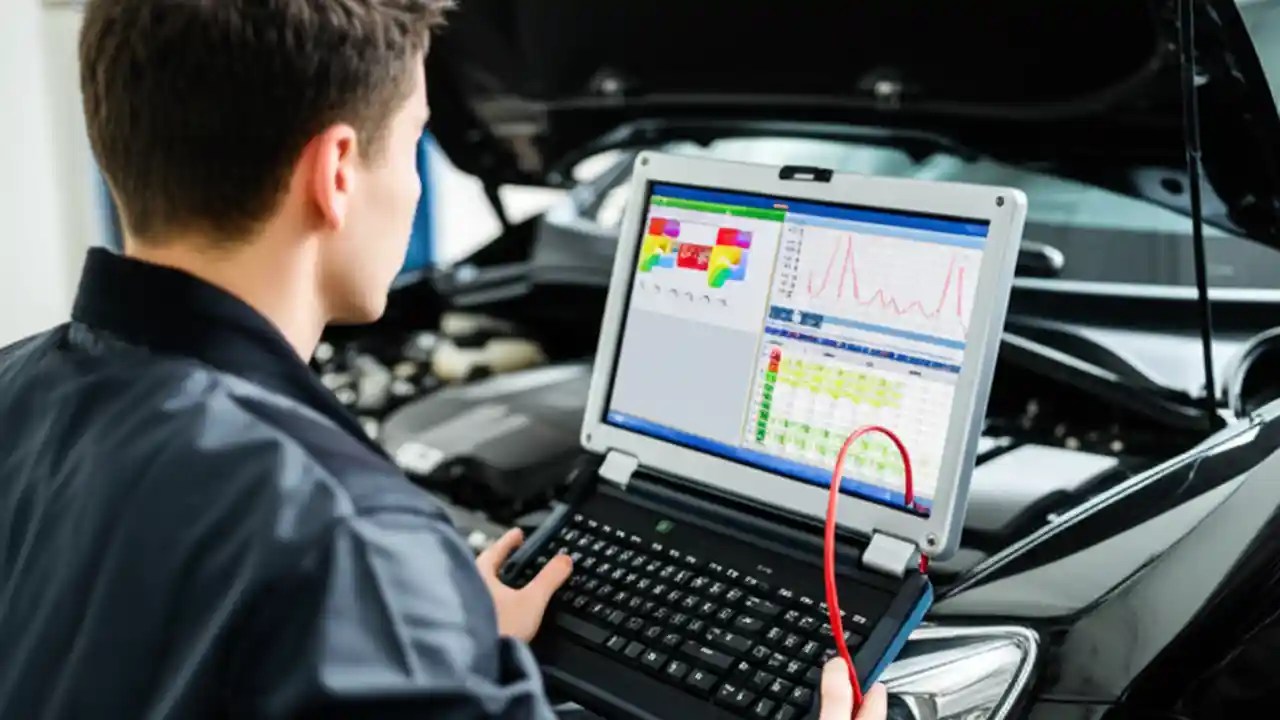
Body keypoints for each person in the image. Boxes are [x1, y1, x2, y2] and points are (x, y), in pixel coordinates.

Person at [0, 1, 887, 718]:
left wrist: (455, 646)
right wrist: (419, 631)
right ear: (338, 171)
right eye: (416, 140)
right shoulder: (351, 540)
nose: (415, 185)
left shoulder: (15, 392)